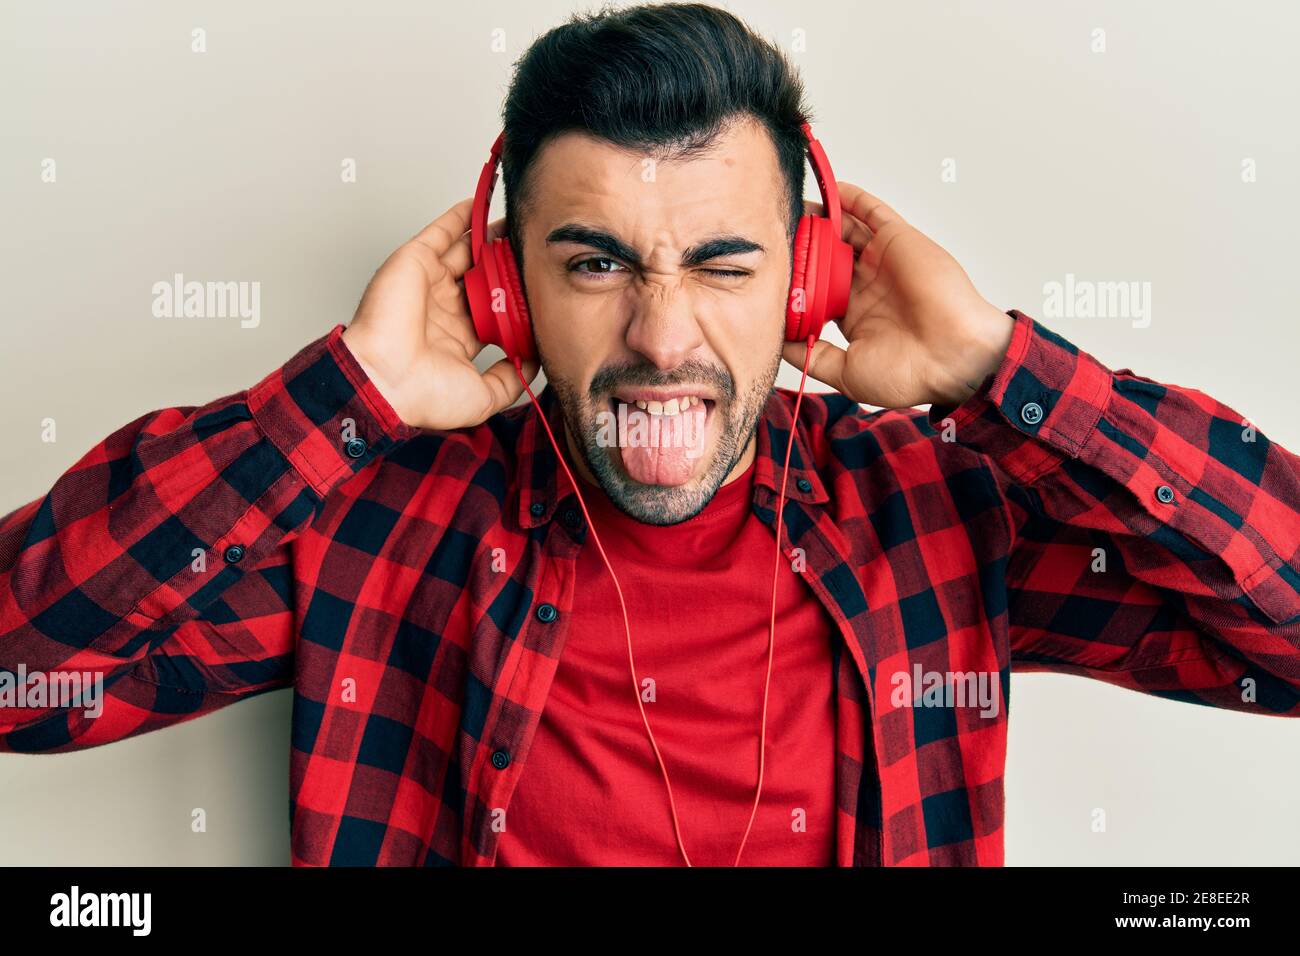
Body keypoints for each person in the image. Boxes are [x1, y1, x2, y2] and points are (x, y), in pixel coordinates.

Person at [2, 3, 1296, 867]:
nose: (663, 336)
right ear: (506, 289)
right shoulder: (374, 527)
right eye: (596, 263)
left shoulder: (938, 518)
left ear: (807, 285)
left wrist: (1002, 370)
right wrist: (352, 393)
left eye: (725, 266)